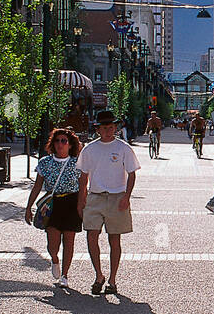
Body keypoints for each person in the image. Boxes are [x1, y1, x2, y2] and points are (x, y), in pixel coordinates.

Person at [76, 110, 140, 296]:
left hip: (116, 196)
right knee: (91, 236)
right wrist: (82, 199)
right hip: (95, 196)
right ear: (98, 129)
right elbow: (83, 176)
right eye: (104, 128)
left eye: (111, 127)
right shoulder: (89, 149)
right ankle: (98, 275)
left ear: (116, 128)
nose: (108, 131)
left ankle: (112, 279)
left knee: (114, 238)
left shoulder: (123, 148)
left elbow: (132, 173)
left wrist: (126, 197)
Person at [25, 128, 85, 289]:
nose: (60, 144)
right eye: (57, 141)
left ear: (70, 144)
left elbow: (83, 186)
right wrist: (28, 207)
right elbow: (37, 186)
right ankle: (54, 259)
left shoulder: (77, 163)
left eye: (64, 141)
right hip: (53, 203)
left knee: (69, 240)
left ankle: (65, 275)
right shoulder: (45, 162)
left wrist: (81, 206)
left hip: (71, 202)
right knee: (53, 243)